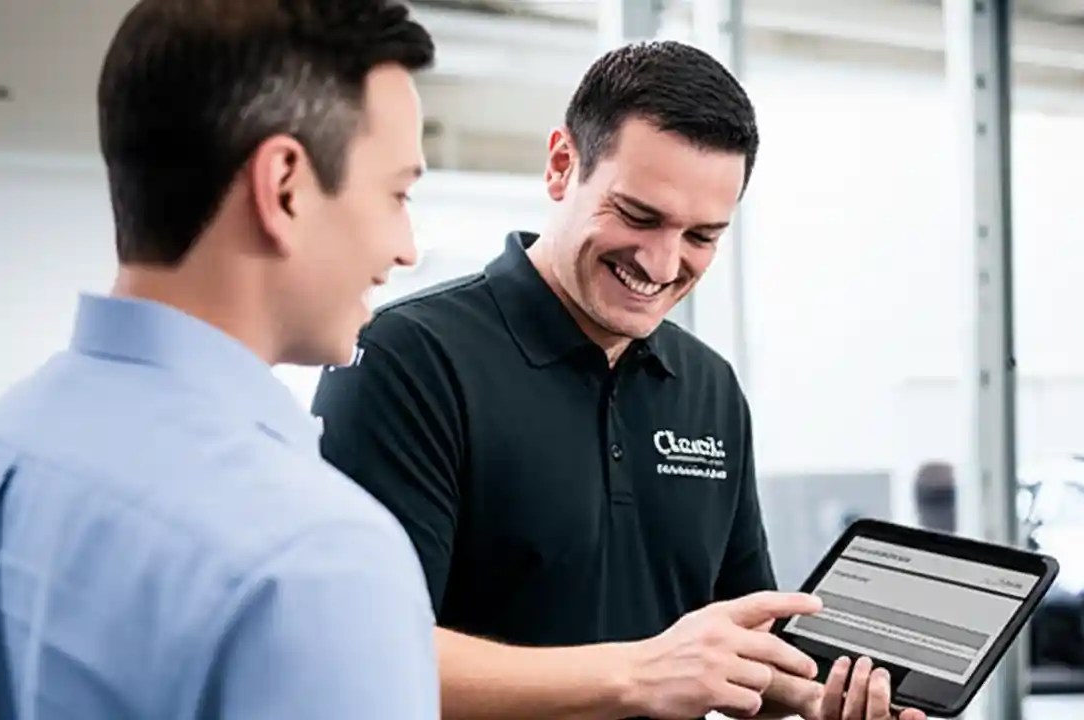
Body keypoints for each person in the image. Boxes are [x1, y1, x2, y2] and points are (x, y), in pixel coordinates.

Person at [312, 39, 926, 720]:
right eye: (638, 216)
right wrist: (640, 673)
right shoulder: (411, 358)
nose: (663, 264)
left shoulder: (708, 387)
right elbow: (364, 659)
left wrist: (815, 695)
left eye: (702, 237)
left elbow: (733, 641)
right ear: (561, 165)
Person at [0, 1, 441, 718]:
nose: (406, 247)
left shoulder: (15, 436)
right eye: (397, 194)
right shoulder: (319, 561)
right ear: (284, 187)